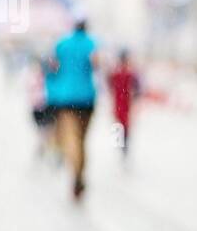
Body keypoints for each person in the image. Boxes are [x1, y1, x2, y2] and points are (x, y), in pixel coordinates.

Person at [48, 18, 99, 200]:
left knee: (71, 139)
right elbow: (97, 66)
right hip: (87, 99)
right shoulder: (93, 44)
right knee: (82, 140)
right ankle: (79, 175)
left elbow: (51, 68)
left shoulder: (62, 44)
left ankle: (76, 175)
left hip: (66, 99)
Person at [106, 50, 140, 158]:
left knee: (118, 126)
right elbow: (138, 89)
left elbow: (109, 85)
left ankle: (119, 148)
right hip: (126, 105)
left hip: (118, 105)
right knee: (125, 128)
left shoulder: (115, 74)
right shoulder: (131, 74)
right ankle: (124, 150)